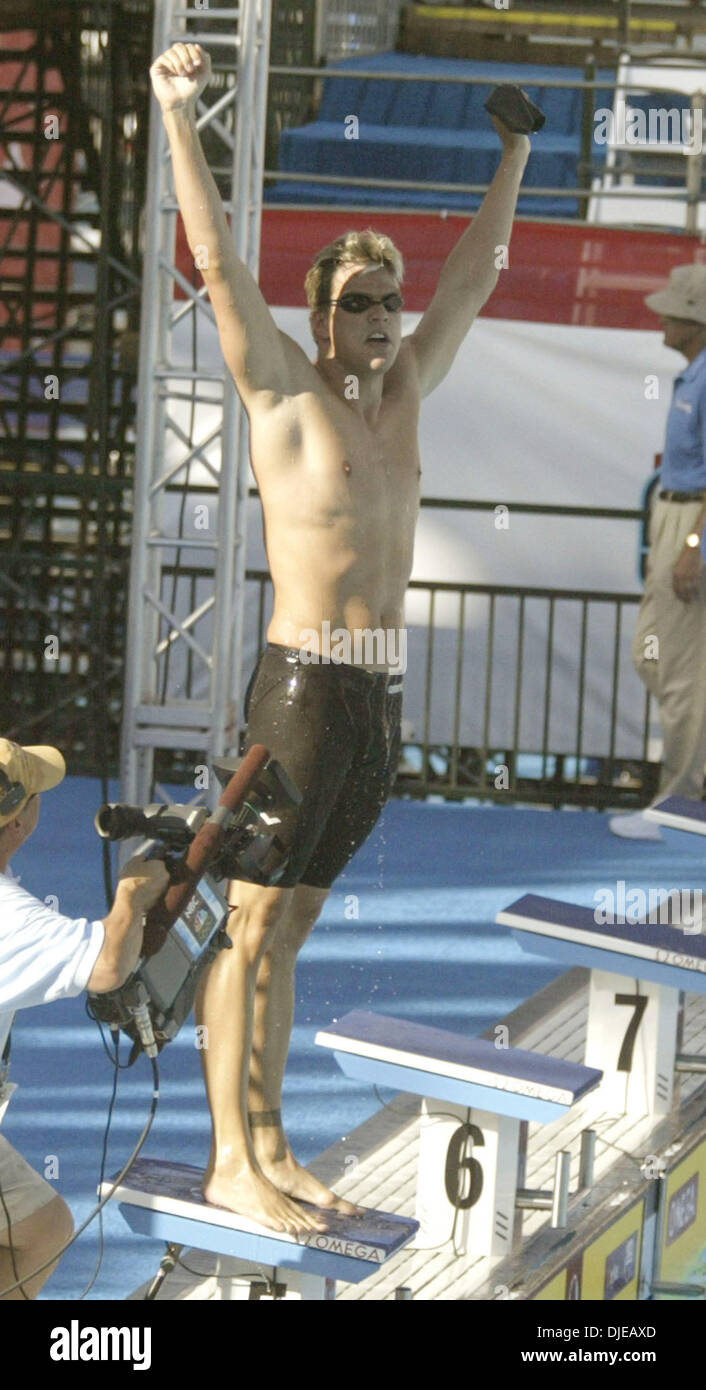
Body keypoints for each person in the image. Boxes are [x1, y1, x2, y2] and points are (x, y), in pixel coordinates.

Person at [150, 41, 533, 1234]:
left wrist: (515, 149)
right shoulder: (279, 391)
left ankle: (271, 1141)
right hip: (302, 694)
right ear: (319, 318)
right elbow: (214, 260)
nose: (381, 315)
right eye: (356, 302)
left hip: (375, 704)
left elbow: (473, 274)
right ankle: (226, 1160)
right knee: (250, 924)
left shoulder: (409, 390)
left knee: (296, 922)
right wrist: (178, 112)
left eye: (386, 298)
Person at [0, 738, 168, 1299]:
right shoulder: (8, 916)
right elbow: (106, 965)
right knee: (40, 1232)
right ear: (19, 822)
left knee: (42, 1227)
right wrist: (133, 895)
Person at [610, 265, 706, 840]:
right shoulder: (694, 374)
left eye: (671, 310)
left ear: (695, 319)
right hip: (677, 518)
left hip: (690, 522)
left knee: (678, 672)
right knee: (662, 662)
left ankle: (680, 806)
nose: (660, 317)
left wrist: (692, 546)